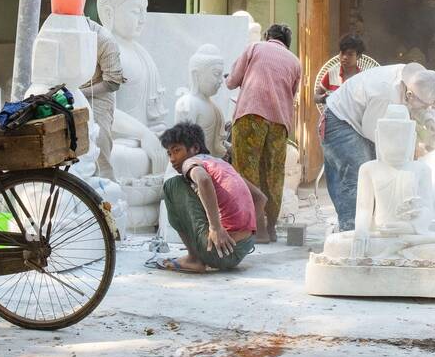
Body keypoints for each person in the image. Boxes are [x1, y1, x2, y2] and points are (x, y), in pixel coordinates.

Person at [321, 63, 435, 231]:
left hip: (364, 118)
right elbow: (377, 135)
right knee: (358, 173)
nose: (427, 109)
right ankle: (352, 231)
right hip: (341, 118)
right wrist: (411, 148)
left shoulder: (419, 79)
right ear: (409, 95)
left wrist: (429, 121)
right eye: (425, 106)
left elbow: (421, 103)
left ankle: (365, 227)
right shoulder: (385, 94)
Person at [156, 122, 265, 274]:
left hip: (218, 251)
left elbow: (204, 180)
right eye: (169, 153)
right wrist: (246, 233)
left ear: (194, 148)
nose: (172, 159)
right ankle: (205, 248)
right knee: (195, 189)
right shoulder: (221, 164)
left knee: (172, 184)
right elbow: (260, 198)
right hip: (242, 248)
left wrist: (216, 228)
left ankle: (194, 259)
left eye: (177, 150)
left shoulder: (190, 162)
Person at [225, 23, 301, 243]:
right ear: (287, 44)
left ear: (268, 36)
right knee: (274, 174)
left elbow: (232, 81)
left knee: (246, 170)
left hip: (251, 114)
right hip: (279, 123)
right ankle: (271, 227)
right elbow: (292, 93)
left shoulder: (255, 48)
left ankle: (255, 228)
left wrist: (228, 79)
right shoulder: (295, 61)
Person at [80, 15, 124, 183]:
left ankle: (107, 196)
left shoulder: (105, 40)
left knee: (100, 151)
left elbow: (113, 83)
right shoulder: (62, 34)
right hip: (66, 92)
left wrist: (80, 93)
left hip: (98, 94)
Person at [315, 33, 365, 106]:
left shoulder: (363, 78)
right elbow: (316, 97)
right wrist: (325, 99)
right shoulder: (332, 74)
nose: (344, 57)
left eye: (350, 54)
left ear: (358, 56)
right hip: (332, 115)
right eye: (342, 53)